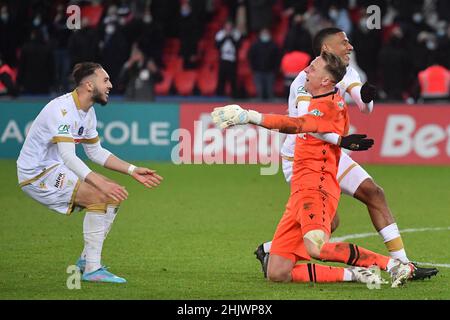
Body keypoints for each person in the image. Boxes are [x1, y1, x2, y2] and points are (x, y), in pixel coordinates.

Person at [211, 52, 414, 287]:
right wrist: (340, 140)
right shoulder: (323, 98)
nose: (307, 70)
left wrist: (250, 116)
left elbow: (296, 124)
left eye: (313, 68)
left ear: (326, 81)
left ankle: (394, 265)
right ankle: (358, 274)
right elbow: (314, 125)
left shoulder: (325, 106)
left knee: (316, 246)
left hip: (316, 187)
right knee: (277, 272)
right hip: (299, 190)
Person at [253, 27, 438, 280]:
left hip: (332, 153)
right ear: (326, 49)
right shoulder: (304, 81)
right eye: (343, 42)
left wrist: (367, 95)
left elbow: (363, 104)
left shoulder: (346, 71)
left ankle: (403, 264)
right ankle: (274, 250)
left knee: (373, 193)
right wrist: (342, 140)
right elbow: (306, 127)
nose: (350, 46)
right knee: (328, 224)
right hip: (303, 157)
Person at [16, 62, 163, 283]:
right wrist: (98, 183)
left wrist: (132, 170)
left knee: (113, 194)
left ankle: (86, 259)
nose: (110, 85)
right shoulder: (61, 110)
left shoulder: (88, 112)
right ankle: (93, 270)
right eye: (105, 80)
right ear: (88, 85)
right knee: (99, 195)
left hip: (54, 167)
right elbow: (68, 156)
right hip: (36, 174)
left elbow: (95, 152)